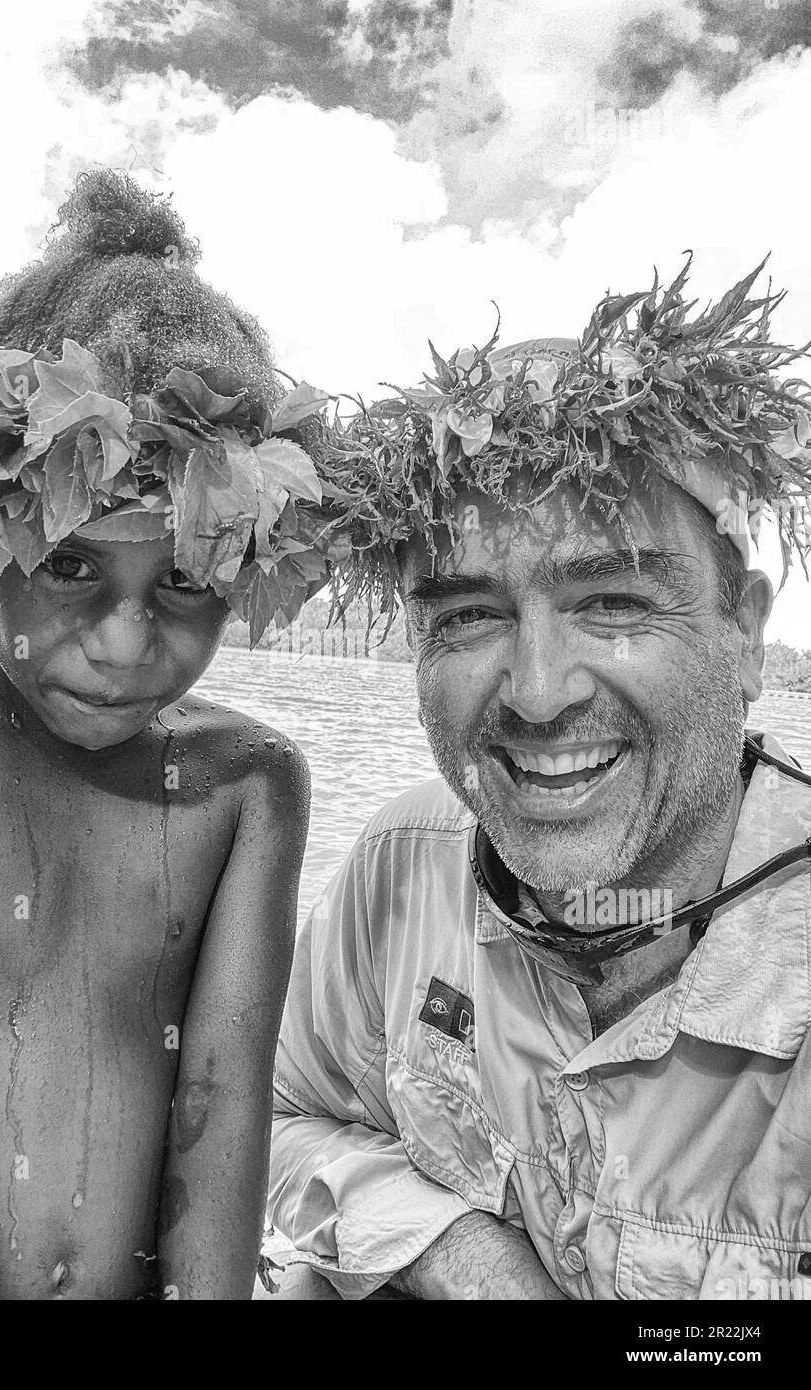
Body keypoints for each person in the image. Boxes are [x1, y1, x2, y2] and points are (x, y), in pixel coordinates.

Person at [262, 258, 811, 1300]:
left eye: (611, 602)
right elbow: (287, 1114)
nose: (538, 692)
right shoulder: (403, 863)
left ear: (743, 631)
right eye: (469, 615)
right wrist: (456, 1249)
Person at [0, 170, 340, 1300]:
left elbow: (219, 1106)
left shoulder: (252, 783)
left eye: (185, 577)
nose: (125, 643)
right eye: (70, 564)